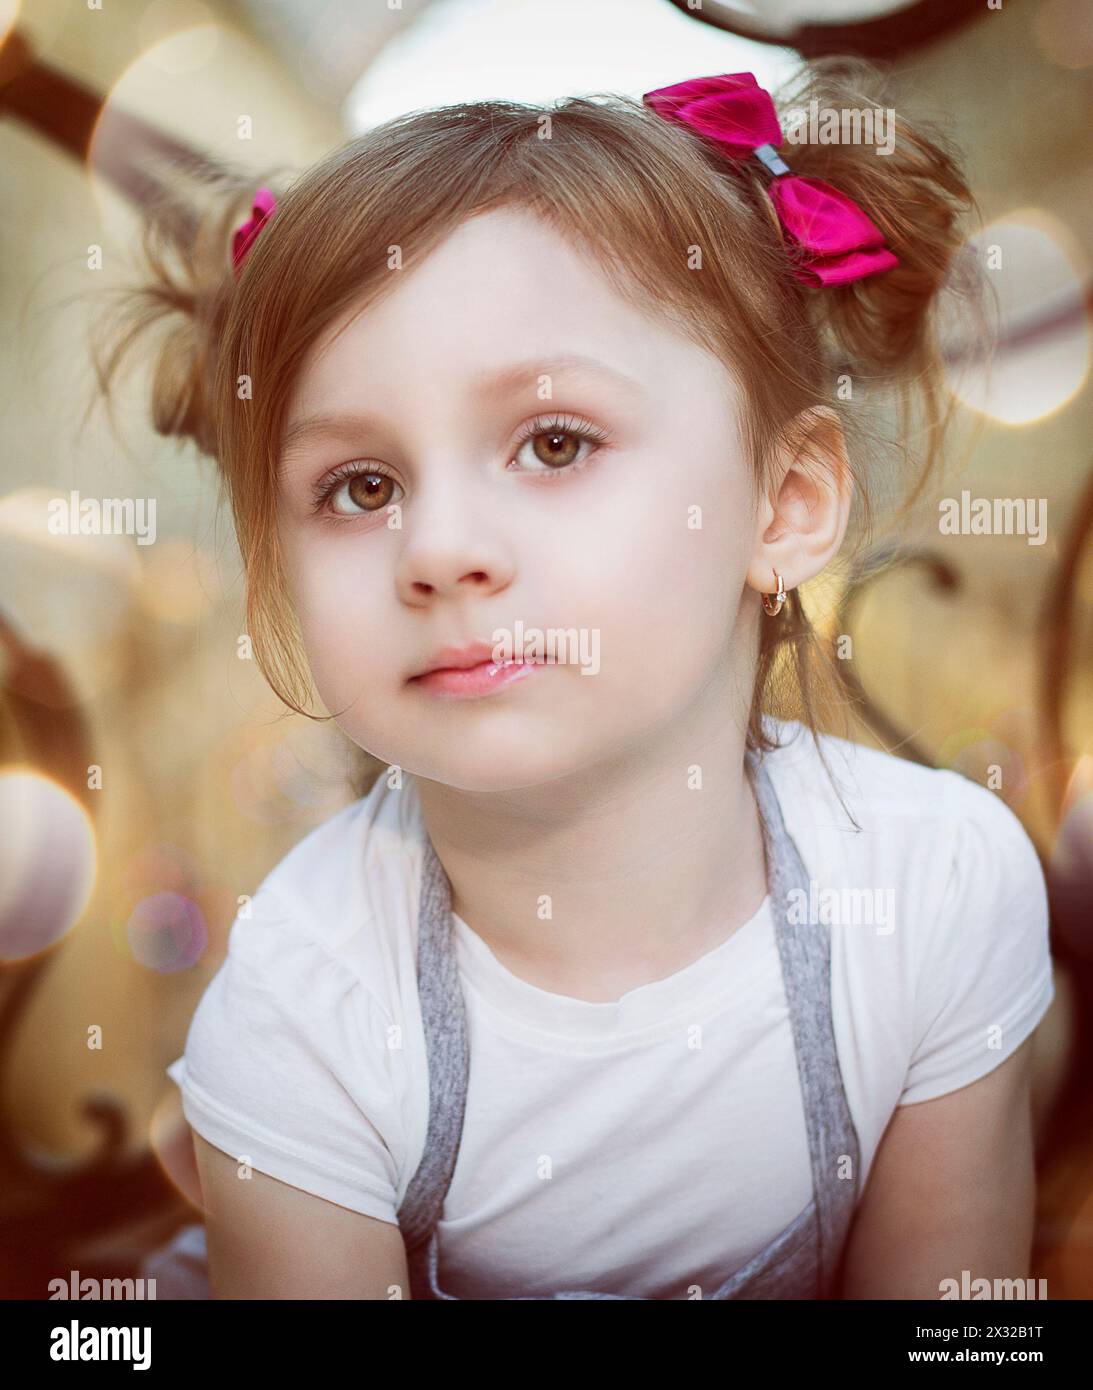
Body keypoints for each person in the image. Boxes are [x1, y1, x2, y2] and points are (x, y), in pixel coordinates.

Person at [98, 60, 1054, 1299]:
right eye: (362, 486)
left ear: (786, 502)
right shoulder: (305, 1004)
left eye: (554, 443)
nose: (439, 550)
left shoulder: (931, 885)